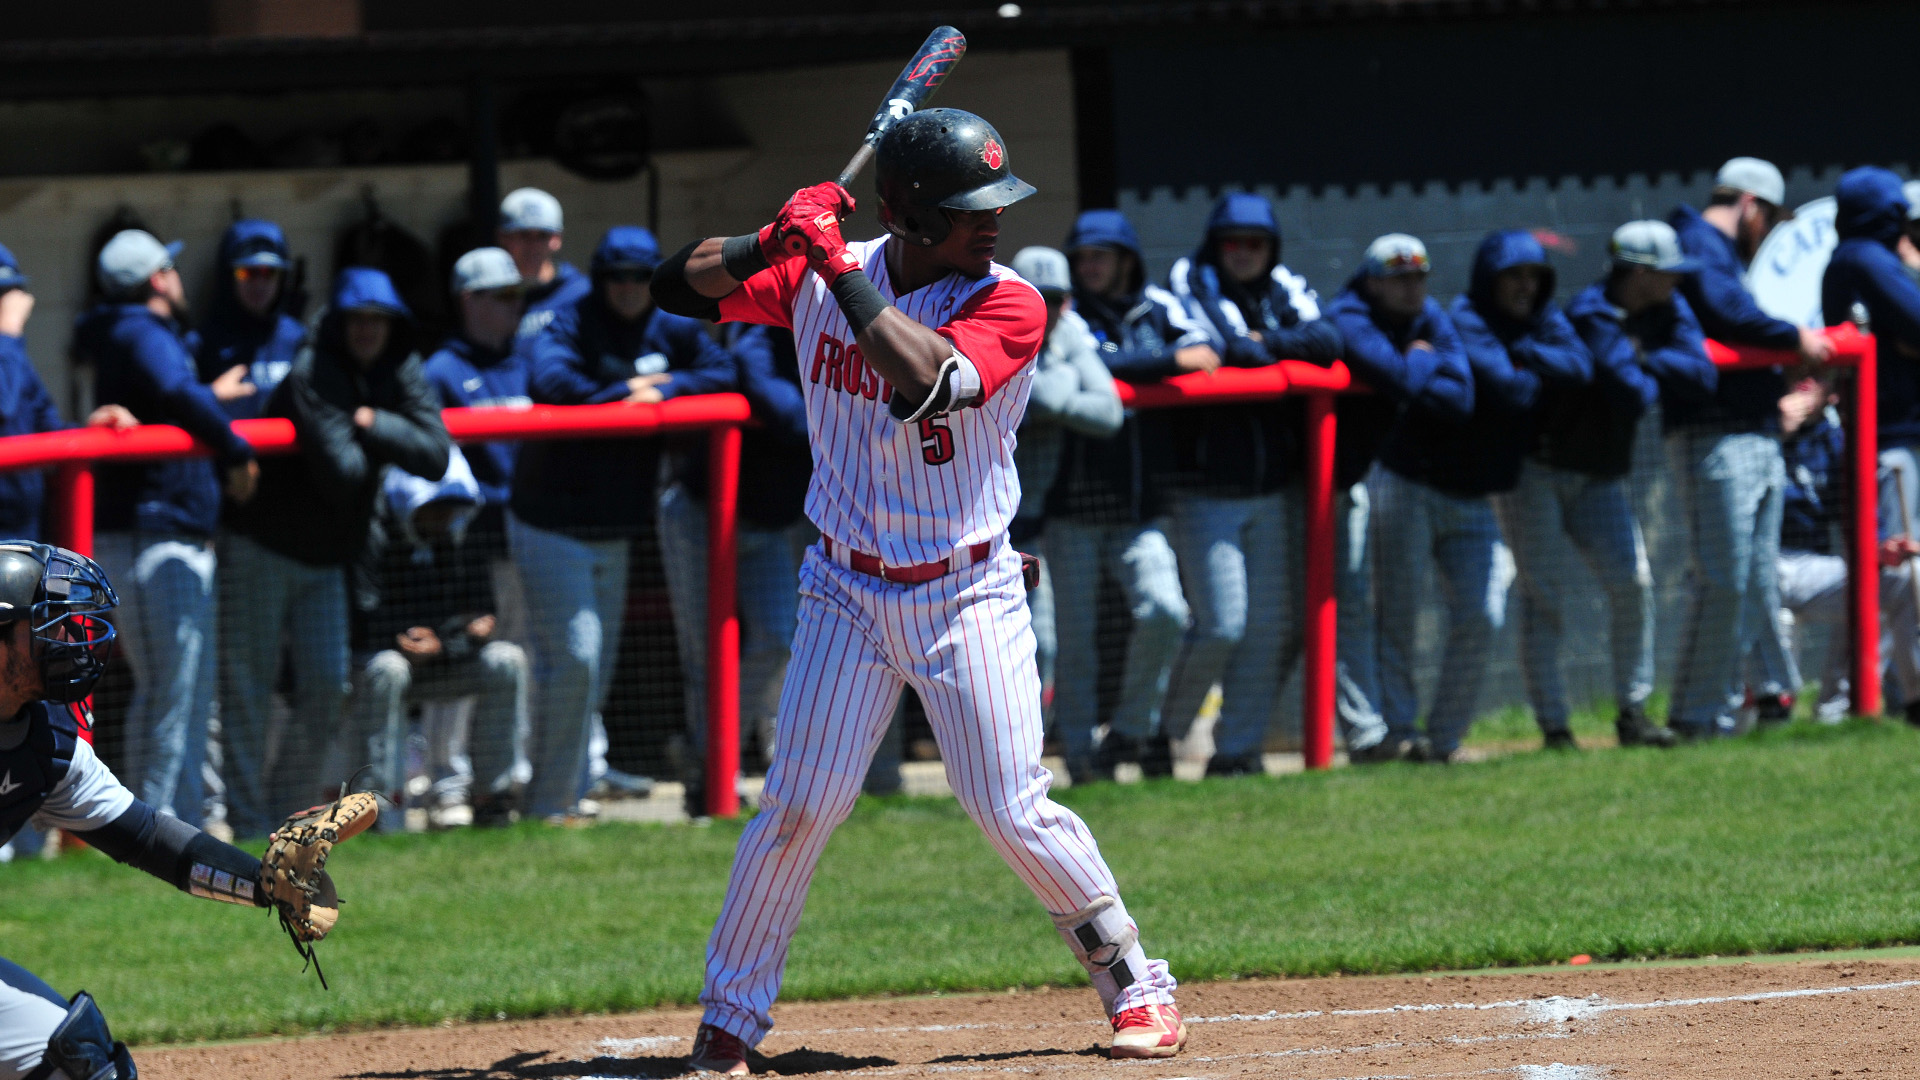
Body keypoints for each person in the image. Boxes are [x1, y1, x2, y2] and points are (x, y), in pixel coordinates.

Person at [651, 107, 1188, 1070]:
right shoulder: (823, 267)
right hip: (844, 592)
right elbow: (675, 289)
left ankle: (1136, 983)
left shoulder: (1012, 302)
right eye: (967, 209)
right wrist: (764, 240)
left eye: (996, 205)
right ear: (904, 213)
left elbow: (924, 384)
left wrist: (833, 267)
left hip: (967, 591)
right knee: (800, 804)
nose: (992, 224)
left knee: (1009, 805)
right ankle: (729, 1018)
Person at [0, 543, 375, 1080]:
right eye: (45, 626)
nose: (66, 640)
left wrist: (265, 882)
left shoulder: (46, 744)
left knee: (80, 1064)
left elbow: (148, 838)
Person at [510, 225, 733, 823]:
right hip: (551, 519)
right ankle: (547, 803)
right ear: (601, 279)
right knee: (575, 660)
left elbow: (721, 373)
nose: (630, 289)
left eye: (640, 277)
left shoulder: (671, 321)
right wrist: (622, 392)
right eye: (618, 278)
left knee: (595, 665)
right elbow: (549, 382)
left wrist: (662, 387)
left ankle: (570, 792)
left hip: (615, 523)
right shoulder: (570, 317)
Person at [221, 267, 451, 836]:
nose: (369, 330)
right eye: (358, 319)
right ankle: (249, 821)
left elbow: (437, 455)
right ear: (341, 322)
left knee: (327, 687)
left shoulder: (401, 365)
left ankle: (283, 813)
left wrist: (371, 420)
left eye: (379, 319)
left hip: (327, 559)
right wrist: (387, 433)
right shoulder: (313, 368)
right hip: (264, 547)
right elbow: (344, 474)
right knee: (249, 689)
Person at [1164, 193, 1361, 772]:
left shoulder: (1284, 284)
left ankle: (1238, 752)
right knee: (1223, 624)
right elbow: (1228, 347)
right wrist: (1261, 348)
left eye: (1256, 243)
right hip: (1205, 490)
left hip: (1271, 489)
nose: (1245, 253)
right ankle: (1155, 734)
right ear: (1216, 244)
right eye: (1234, 242)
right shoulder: (1189, 281)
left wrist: (1266, 344)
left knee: (1272, 627)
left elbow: (1329, 341)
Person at [78, 229, 258, 829]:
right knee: (169, 694)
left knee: (176, 691)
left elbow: (174, 397)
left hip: (153, 534)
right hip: (153, 537)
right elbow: (176, 391)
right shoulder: (140, 329)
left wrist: (209, 398)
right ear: (158, 279)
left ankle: (177, 819)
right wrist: (234, 448)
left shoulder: (125, 332)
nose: (178, 280)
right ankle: (156, 830)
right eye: (171, 271)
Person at [1666, 157, 1833, 725]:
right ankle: (1696, 711)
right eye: (1769, 220)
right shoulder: (1694, 240)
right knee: (1725, 577)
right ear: (1750, 205)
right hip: (1715, 435)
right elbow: (1726, 312)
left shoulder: (1721, 252)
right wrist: (1793, 338)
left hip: (1751, 432)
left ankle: (1771, 694)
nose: (1766, 235)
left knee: (1754, 576)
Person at [1548, 221, 1715, 741]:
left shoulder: (1666, 308)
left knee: (1633, 584)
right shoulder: (1590, 312)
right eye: (1666, 274)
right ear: (1639, 273)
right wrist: (1645, 361)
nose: (1676, 283)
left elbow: (1702, 375)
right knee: (1542, 596)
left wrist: (1643, 353)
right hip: (1542, 470)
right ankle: (1553, 727)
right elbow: (1633, 393)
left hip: (1600, 473)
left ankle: (1633, 714)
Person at [1054, 208, 1200, 782]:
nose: (1091, 267)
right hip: (1071, 506)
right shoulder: (1060, 313)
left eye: (1102, 256)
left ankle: (1131, 731)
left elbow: (1209, 348)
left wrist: (1166, 359)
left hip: (1141, 507)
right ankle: (1082, 761)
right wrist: (1165, 363)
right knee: (1077, 643)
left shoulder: (1158, 306)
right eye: (1083, 257)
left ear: (1126, 260)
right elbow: (1089, 366)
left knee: (1167, 611)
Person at [1324, 234, 1477, 761]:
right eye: (1397, 278)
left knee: (1356, 612)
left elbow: (1462, 397)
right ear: (1372, 281)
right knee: (1299, 621)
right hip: (1314, 486)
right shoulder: (1348, 313)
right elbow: (1401, 380)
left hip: (1354, 482)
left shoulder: (1428, 313)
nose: (1411, 288)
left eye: (1418, 276)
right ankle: (1362, 734)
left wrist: (1411, 368)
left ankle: (1378, 734)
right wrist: (1418, 361)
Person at [1444, 231, 1599, 750]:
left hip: (1495, 480)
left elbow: (1579, 368)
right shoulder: (1465, 314)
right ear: (1491, 279)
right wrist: (1532, 367)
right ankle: (1417, 740)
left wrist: (1523, 350)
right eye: (1514, 276)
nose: (1526, 287)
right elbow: (1509, 390)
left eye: (1535, 276)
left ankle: (1447, 739)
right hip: (1442, 478)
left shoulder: (1542, 317)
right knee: (1407, 616)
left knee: (1489, 610)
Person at [658, 320, 812, 818]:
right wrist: (850, 413)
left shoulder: (847, 336)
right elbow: (790, 416)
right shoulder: (757, 341)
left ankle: (706, 753)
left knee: (776, 638)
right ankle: (710, 776)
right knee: (705, 651)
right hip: (704, 515)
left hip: (767, 523)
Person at [352, 449, 529, 826]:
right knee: (388, 668)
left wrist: (443, 644)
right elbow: (369, 619)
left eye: (450, 507)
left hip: (447, 662)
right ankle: (379, 811)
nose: (442, 517)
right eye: (433, 507)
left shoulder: (462, 538)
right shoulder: (374, 536)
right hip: (386, 666)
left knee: (506, 660)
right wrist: (425, 638)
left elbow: (483, 618)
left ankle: (492, 798)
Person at [1004, 245, 1124, 727]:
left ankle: (1022, 766)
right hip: (965, 532)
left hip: (1027, 534)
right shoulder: (991, 329)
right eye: (1039, 298)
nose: (1049, 311)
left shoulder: (1066, 336)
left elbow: (1109, 413)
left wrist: (1059, 383)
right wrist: (1062, 381)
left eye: (1057, 300)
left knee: (1042, 647)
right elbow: (1051, 395)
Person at [1823, 167, 1920, 724]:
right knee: (1897, 568)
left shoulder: (1860, 257)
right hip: (1890, 439)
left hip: (1890, 434)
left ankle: (1870, 696)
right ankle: (1881, 698)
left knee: (1894, 569)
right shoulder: (1864, 257)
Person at [1766, 375, 1920, 721]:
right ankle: (1763, 716)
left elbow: (1860, 512)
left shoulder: (1837, 441)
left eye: (1816, 377)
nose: (1804, 383)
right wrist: (1777, 433)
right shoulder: (1758, 430)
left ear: (1833, 394)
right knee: (1773, 614)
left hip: (1810, 568)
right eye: (1797, 372)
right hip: (1762, 564)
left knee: (1905, 576)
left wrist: (1881, 549)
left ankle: (1900, 706)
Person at [0, 245, 133, 541]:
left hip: (24, 531)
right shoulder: (8, 346)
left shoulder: (13, 357)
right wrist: (8, 333)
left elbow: (47, 426)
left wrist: (88, 430)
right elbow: (3, 405)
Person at [196, 218, 307, 420]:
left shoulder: (298, 339)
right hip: (231, 449)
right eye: (247, 272)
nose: (259, 284)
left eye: (269, 272)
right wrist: (211, 395)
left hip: (285, 451)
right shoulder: (203, 343)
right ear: (229, 276)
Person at [498, 187, 590, 343]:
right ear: (503, 237)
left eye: (542, 235)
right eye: (523, 235)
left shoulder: (581, 293)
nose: (533, 246)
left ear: (557, 239)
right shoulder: (494, 296)